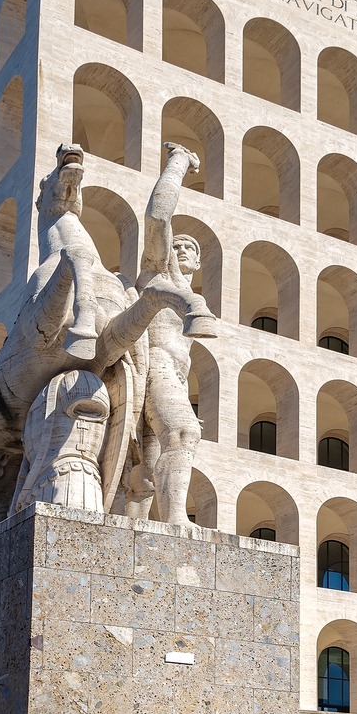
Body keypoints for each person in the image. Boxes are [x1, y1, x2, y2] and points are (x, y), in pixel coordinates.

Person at [131, 142, 214, 525]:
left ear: (199, 261)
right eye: (176, 244)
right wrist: (179, 163)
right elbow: (159, 217)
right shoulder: (160, 275)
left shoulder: (191, 293)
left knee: (143, 475)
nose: (179, 248)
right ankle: (177, 519)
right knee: (182, 432)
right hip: (154, 368)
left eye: (189, 247)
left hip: (174, 377)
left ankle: (144, 531)